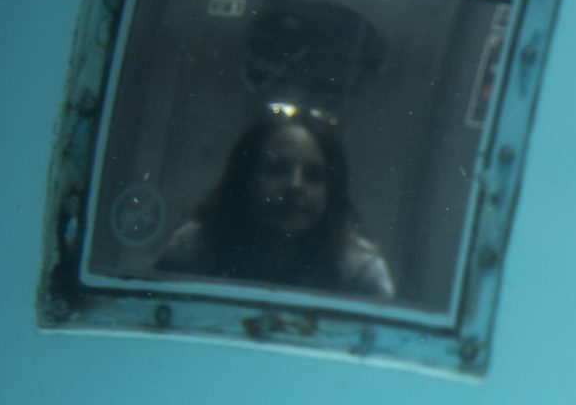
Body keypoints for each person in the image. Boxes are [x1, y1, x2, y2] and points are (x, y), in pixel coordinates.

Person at [153, 105, 395, 298]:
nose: (295, 186)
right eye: (277, 169)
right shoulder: (190, 252)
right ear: (244, 179)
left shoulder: (360, 275)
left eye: (313, 176)